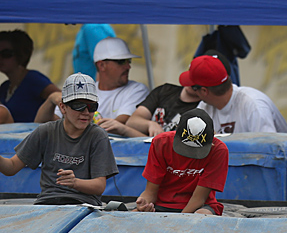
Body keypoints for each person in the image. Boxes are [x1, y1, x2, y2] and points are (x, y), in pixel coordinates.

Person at [0, 73, 118, 206]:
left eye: (92, 107)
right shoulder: (46, 131)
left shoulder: (98, 136)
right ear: (63, 107)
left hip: (84, 206)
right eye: (78, 106)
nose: (85, 112)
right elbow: (11, 167)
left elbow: (99, 186)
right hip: (47, 204)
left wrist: (75, 183)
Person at [134, 108, 229, 215]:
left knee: (202, 215)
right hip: (162, 204)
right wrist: (144, 204)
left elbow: (199, 199)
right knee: (134, 216)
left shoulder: (219, 150)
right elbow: (150, 192)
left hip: (198, 206)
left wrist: (179, 221)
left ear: (212, 139)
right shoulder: (161, 143)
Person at [180, 55, 287, 134]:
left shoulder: (253, 104)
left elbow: (269, 150)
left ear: (204, 91)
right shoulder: (205, 107)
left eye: (194, 88)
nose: (191, 90)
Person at [0, 29, 59, 123]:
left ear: (21, 54)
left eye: (6, 54)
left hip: (35, 136)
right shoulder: (4, 87)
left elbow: (61, 99)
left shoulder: (33, 79)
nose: (0, 58)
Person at [126, 81, 202, 136]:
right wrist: (150, 124)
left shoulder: (205, 108)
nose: (192, 81)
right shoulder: (165, 90)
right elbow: (132, 121)